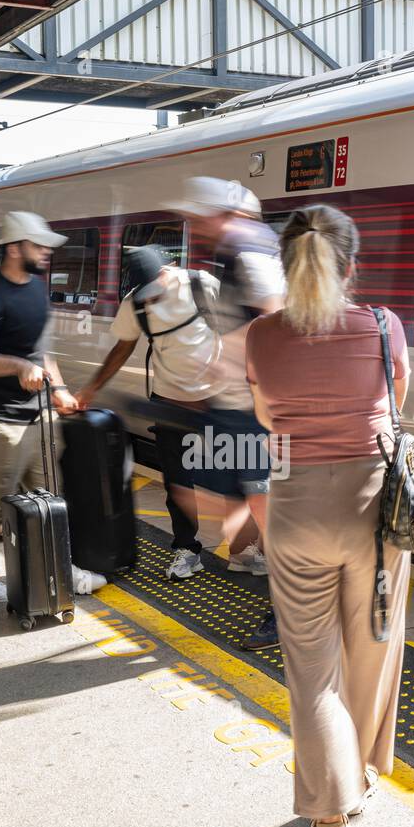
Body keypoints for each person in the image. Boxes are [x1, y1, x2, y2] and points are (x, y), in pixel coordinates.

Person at [245, 204, 412, 827]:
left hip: (294, 509)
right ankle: (359, 777)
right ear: (351, 265)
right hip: (373, 509)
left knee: (312, 673)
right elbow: (399, 397)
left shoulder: (261, 336)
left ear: (286, 266)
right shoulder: (381, 325)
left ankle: (329, 818)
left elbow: (265, 416)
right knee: (370, 651)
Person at [0, 211, 101, 601]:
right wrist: (16, 366)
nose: (47, 252)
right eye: (38, 245)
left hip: (38, 411)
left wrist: (60, 388)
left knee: (48, 492)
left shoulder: (36, 288)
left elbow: (40, 349)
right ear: (15, 248)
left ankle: (54, 565)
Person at [166, 176, 284, 648]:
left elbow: (274, 318)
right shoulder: (239, 250)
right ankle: (287, 595)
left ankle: (291, 611)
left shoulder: (246, 250)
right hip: (238, 402)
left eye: (200, 216)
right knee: (234, 500)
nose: (195, 225)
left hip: (254, 407)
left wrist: (228, 359)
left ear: (224, 214)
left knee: (266, 509)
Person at [76, 245, 226, 578]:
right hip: (169, 400)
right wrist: (91, 388)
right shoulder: (134, 303)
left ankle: (247, 549)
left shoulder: (202, 284)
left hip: (218, 398)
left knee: (238, 472)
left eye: (154, 292)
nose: (150, 300)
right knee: (178, 482)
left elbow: (237, 329)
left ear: (167, 272)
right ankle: (187, 549)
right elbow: (122, 347)